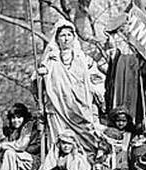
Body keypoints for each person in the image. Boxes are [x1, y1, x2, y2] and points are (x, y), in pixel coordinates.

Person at [38, 22, 106, 161]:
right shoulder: (50, 59)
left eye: (69, 35)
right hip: (59, 109)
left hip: (80, 109)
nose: (66, 38)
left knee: (86, 141)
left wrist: (96, 92)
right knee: (61, 141)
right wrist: (41, 75)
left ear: (74, 37)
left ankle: (85, 169)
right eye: (62, 35)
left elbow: (97, 79)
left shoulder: (84, 59)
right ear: (57, 38)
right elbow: (37, 83)